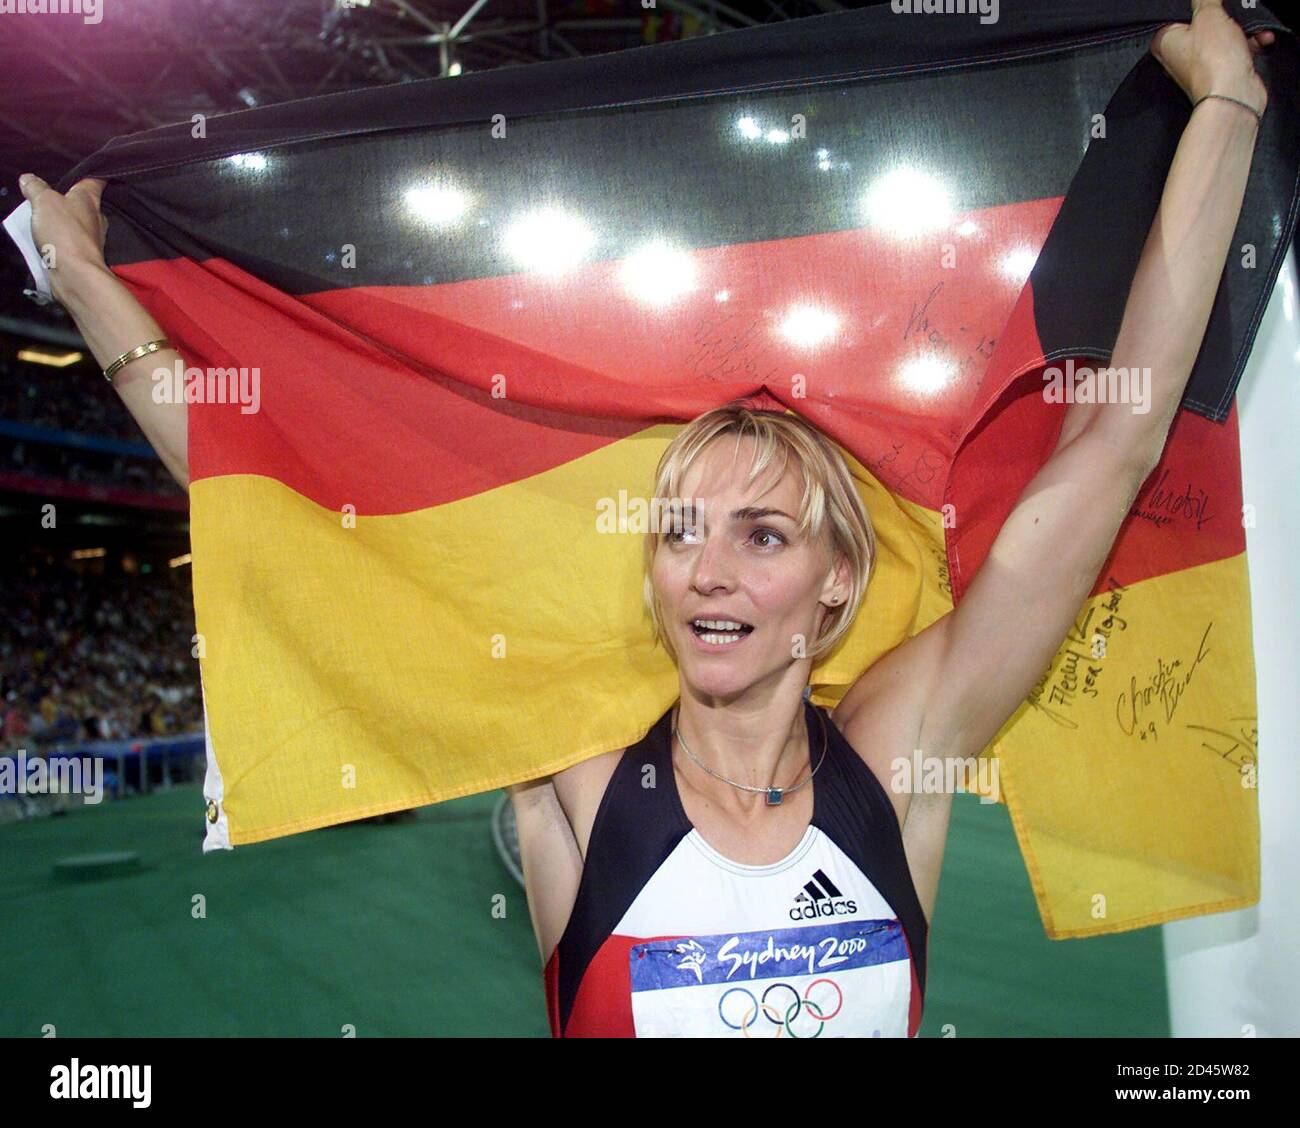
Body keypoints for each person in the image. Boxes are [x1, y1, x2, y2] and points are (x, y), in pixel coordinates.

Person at [15, 0, 1273, 1038]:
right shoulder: (580, 773)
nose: (706, 574)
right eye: (679, 532)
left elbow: (1112, 444)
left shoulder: (900, 757)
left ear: (836, 584)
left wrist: (1224, 105)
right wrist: (84, 285)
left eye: (761, 536)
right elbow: (294, 510)